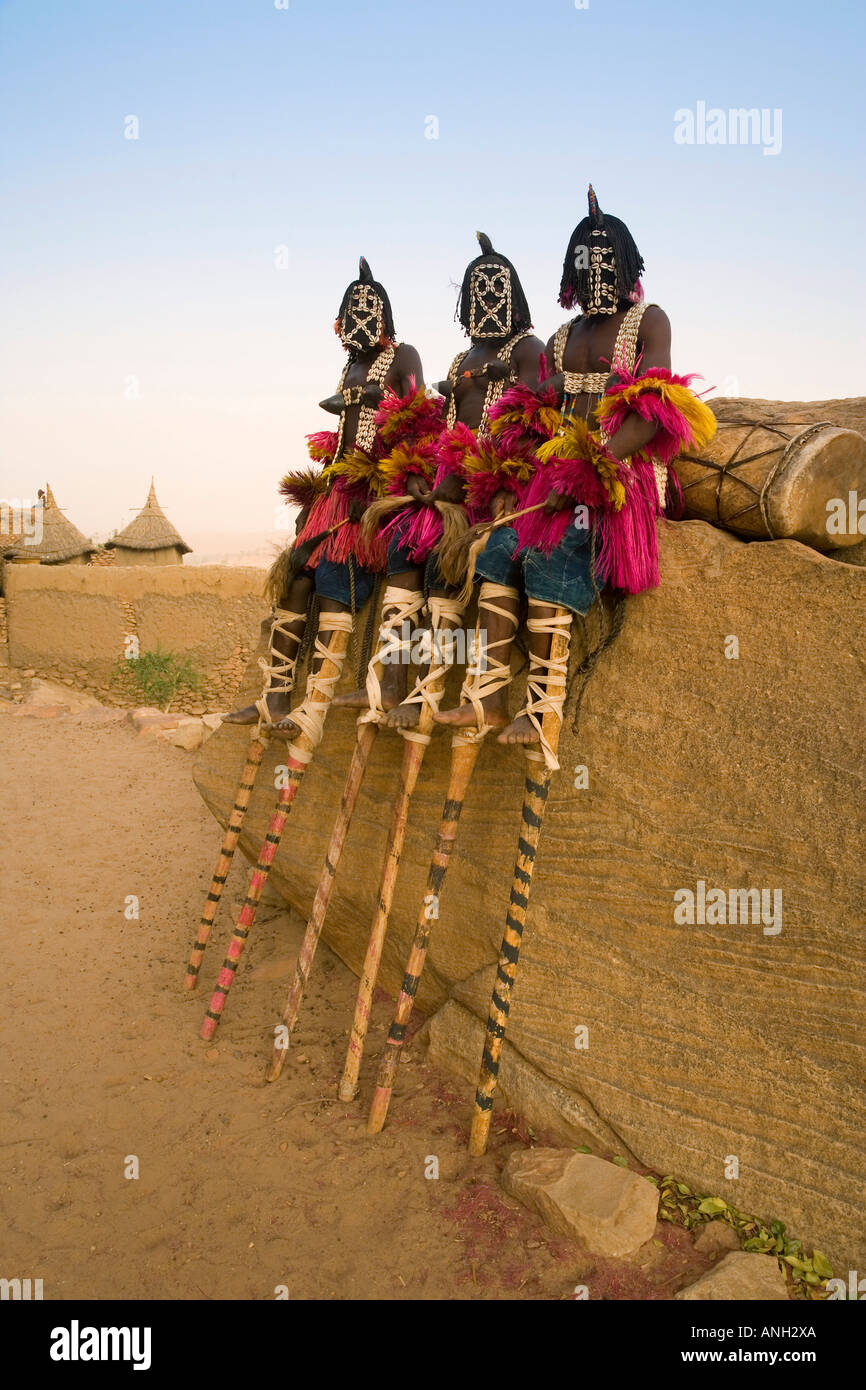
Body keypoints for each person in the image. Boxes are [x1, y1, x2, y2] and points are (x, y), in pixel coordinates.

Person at [435, 186, 716, 767]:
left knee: (553, 551)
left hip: (619, 475)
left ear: (627, 265)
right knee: (497, 551)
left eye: (604, 261)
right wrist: (516, 472)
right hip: (556, 474)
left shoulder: (649, 320)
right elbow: (530, 409)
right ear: (569, 274)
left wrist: (594, 464)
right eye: (583, 265)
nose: (594, 274)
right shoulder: (562, 339)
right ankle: (486, 696)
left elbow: (657, 405)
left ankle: (540, 710)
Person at [333, 232, 545, 731]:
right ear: (466, 303)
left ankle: (440, 688)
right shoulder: (460, 360)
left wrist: (500, 483)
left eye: (496, 293)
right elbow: (442, 428)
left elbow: (536, 421)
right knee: (405, 548)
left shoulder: (530, 348)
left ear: (514, 299)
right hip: (451, 488)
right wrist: (424, 480)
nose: (486, 303)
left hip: (500, 488)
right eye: (477, 293)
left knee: (452, 563)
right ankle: (391, 682)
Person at [223, 257, 425, 747]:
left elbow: (417, 421)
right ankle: (274, 696)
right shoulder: (349, 366)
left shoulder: (403, 357)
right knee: (294, 579)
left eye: (368, 311)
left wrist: (384, 490)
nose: (358, 320)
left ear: (384, 318)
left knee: (336, 582)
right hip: (335, 491)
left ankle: (314, 707)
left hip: (374, 495)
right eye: (351, 312)